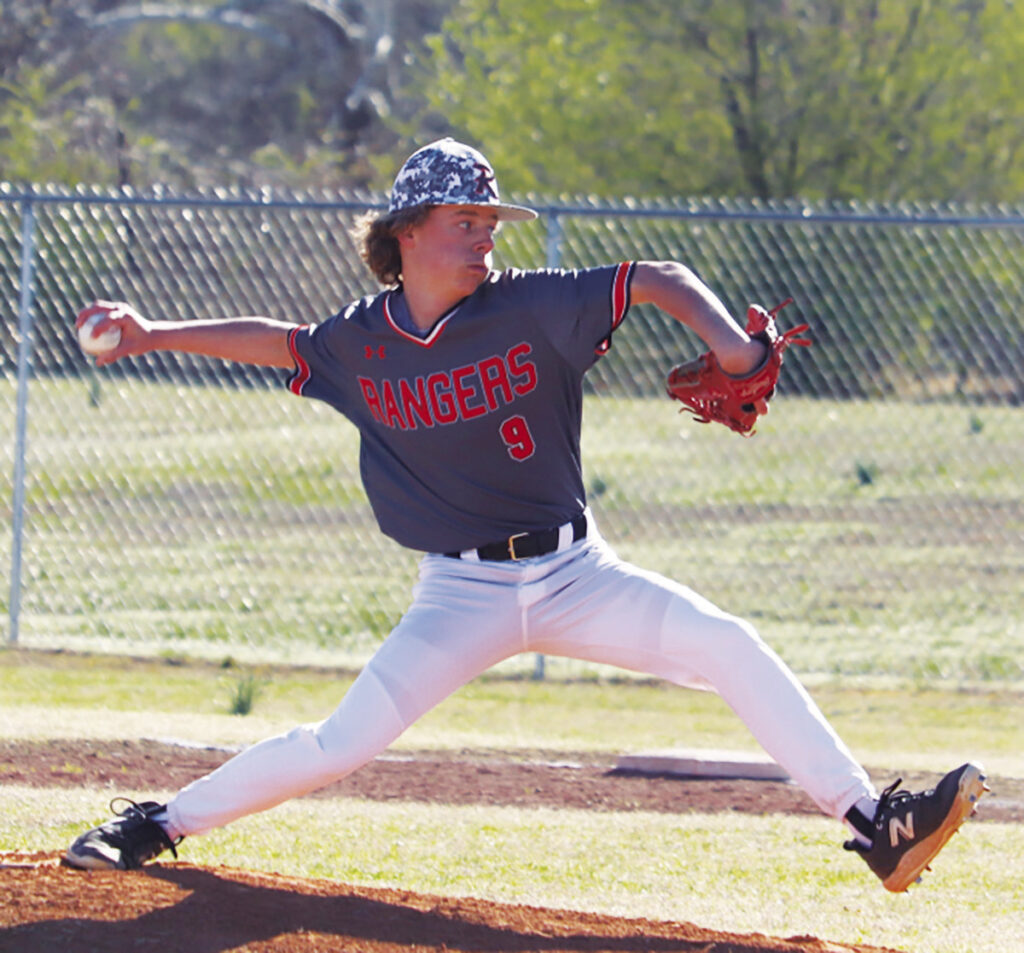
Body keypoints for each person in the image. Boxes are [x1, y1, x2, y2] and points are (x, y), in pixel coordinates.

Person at [65, 138, 986, 893]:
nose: (486, 238)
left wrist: (733, 347)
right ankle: (158, 822)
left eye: (490, 223)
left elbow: (656, 276)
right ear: (408, 232)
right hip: (458, 593)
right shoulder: (360, 341)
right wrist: (151, 334)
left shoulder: (532, 305)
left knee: (727, 644)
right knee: (338, 742)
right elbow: (281, 343)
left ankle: (875, 822)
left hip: (577, 573)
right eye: (465, 222)